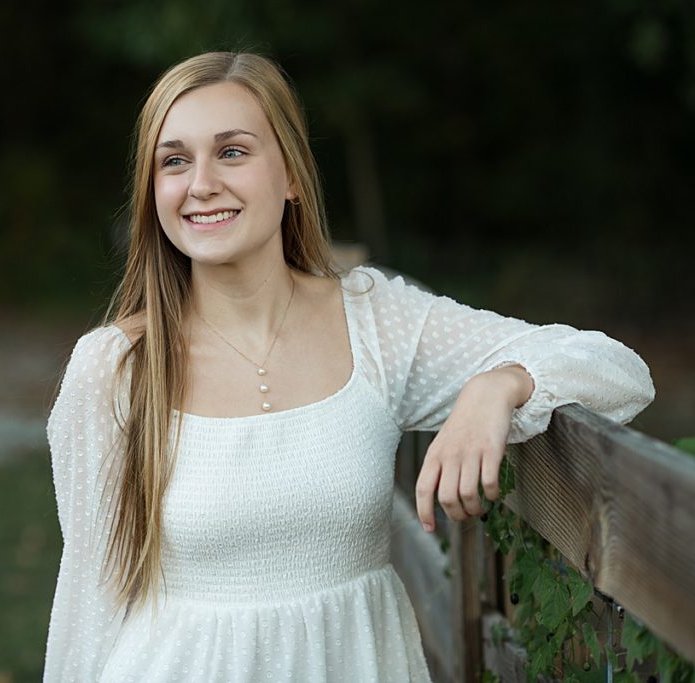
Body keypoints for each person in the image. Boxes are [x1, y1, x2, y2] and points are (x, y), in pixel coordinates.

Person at [43, 52, 655, 682]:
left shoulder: (373, 321)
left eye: (232, 152)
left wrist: (498, 385)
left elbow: (619, 372)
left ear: (292, 177)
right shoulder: (115, 368)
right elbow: (87, 605)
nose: (201, 182)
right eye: (174, 160)